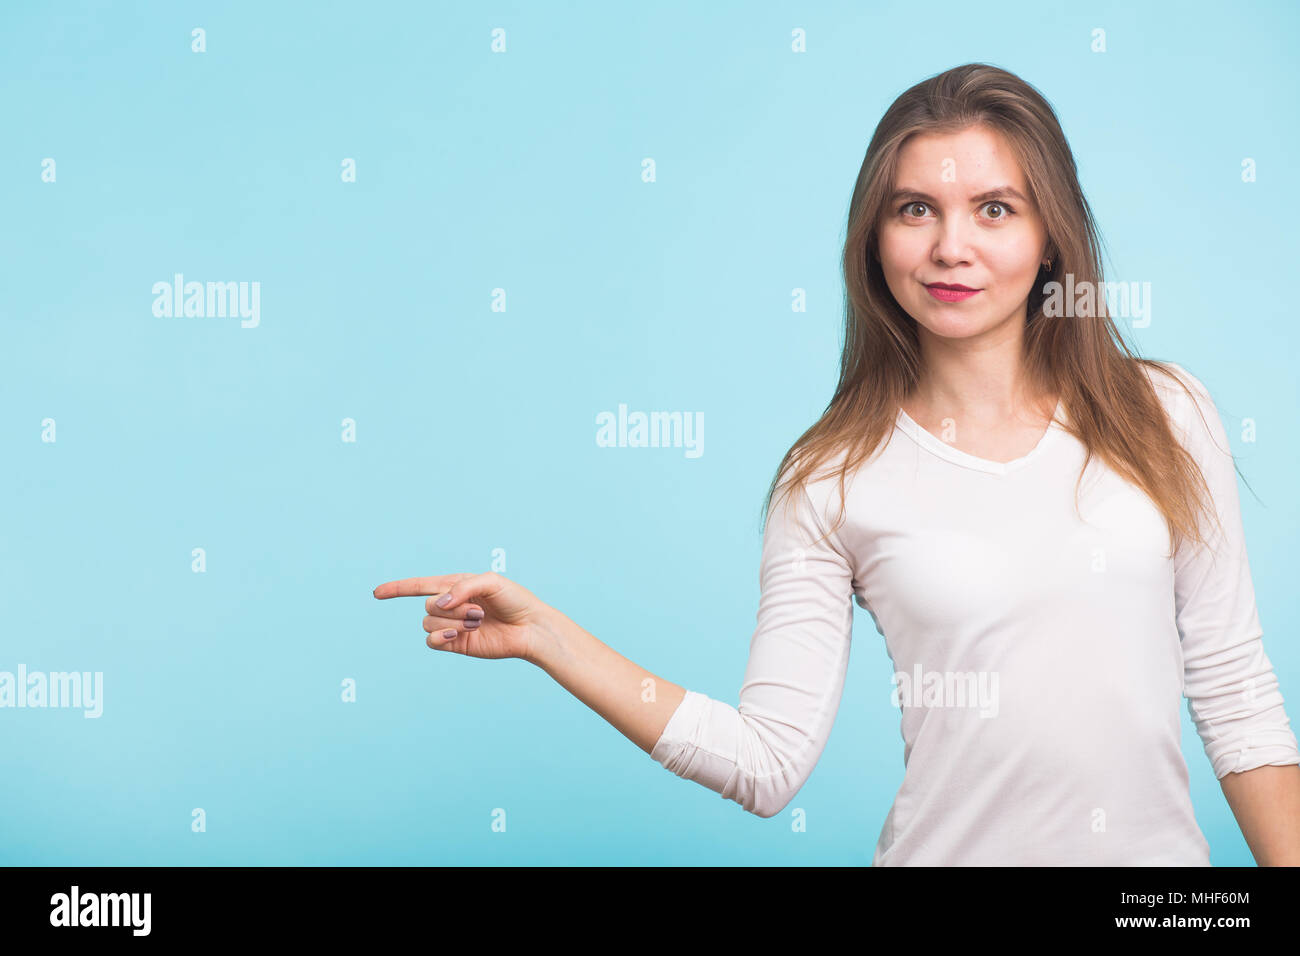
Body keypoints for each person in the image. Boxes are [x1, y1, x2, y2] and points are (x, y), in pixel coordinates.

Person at [373, 63, 1300, 865]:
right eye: (915, 210)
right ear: (875, 236)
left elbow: (1235, 688)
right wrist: (551, 639)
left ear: (1049, 235)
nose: (952, 247)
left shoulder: (1165, 412)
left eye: (993, 209)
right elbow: (765, 761)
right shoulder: (834, 479)